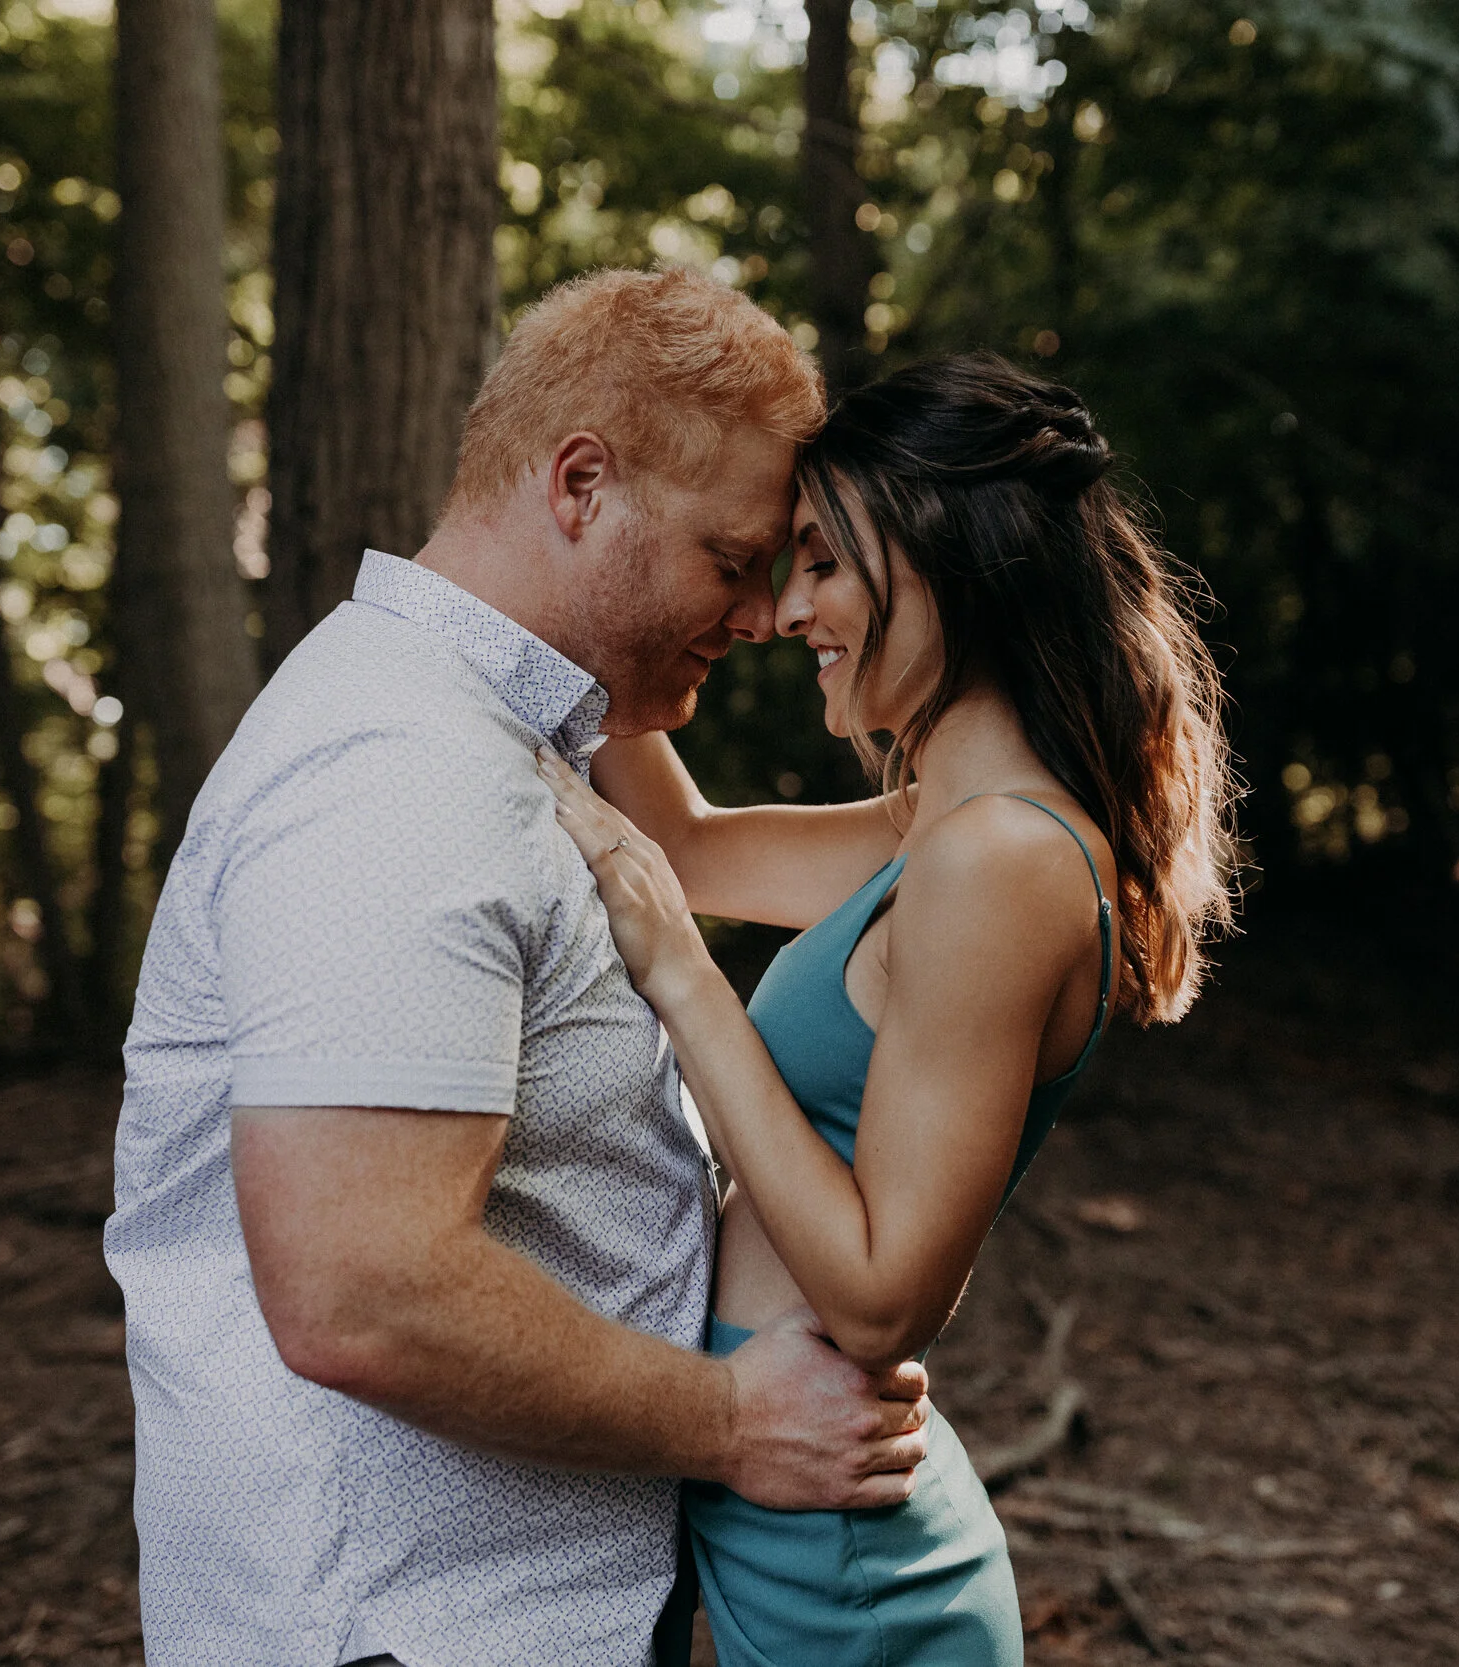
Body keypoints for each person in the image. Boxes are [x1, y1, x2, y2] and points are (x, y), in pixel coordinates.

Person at [103, 268, 937, 1667]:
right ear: (580, 485)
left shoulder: (507, 730)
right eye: (732, 561)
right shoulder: (397, 771)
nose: (756, 614)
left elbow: (711, 845)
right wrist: (733, 1421)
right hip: (409, 1635)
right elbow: (360, 1286)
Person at [538, 353, 1237, 1665]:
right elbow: (683, 848)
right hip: (778, 1503)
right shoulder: (946, 830)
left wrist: (683, 974)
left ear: (946, 561)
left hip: (842, 1571)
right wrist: (585, 586)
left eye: (822, 561)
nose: (787, 607)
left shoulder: (1008, 862)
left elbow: (878, 1301)